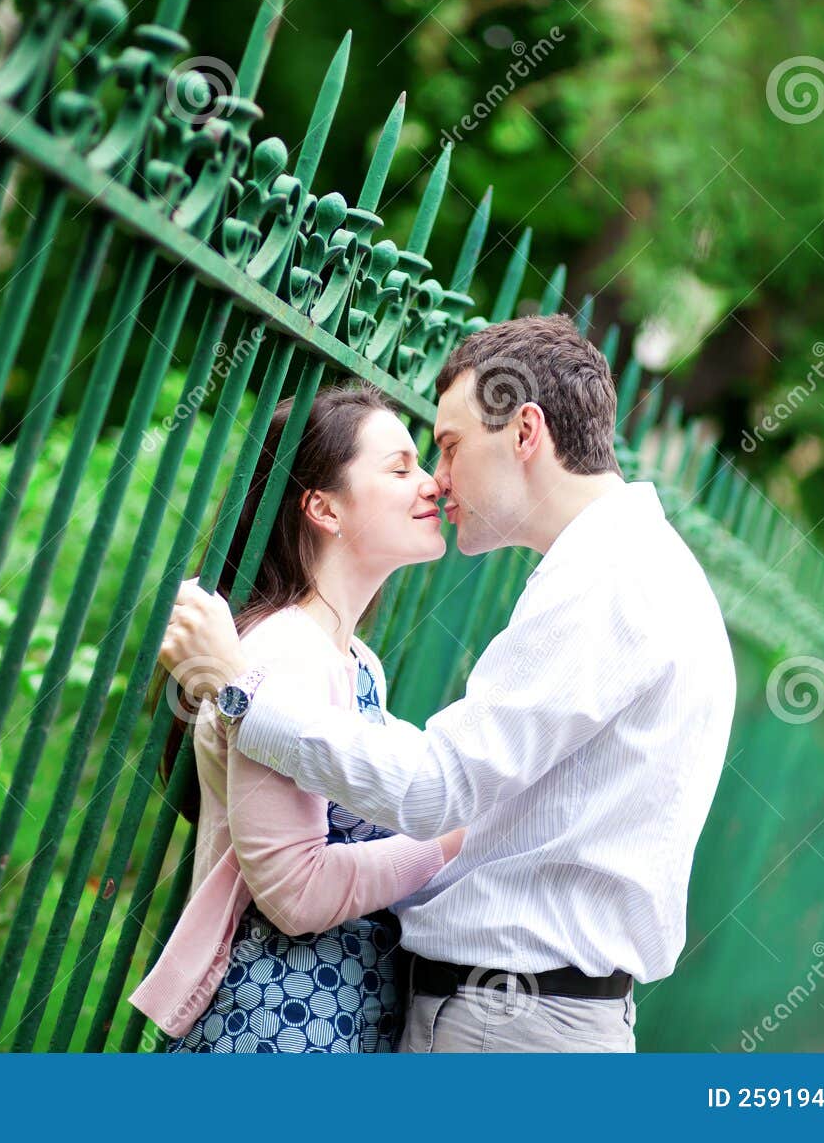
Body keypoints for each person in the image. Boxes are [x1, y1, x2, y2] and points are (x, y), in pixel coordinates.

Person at [161, 314, 737, 1052]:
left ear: (525, 432)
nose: (439, 477)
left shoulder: (606, 582)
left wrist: (242, 694)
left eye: (450, 445)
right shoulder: (633, 566)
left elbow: (434, 787)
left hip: (511, 1025)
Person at [130, 386, 466, 1052]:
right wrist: (449, 842)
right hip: (272, 1027)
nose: (431, 482)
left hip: (333, 1017)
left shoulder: (357, 660)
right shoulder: (285, 650)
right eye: (399, 468)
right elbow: (296, 892)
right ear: (324, 507)